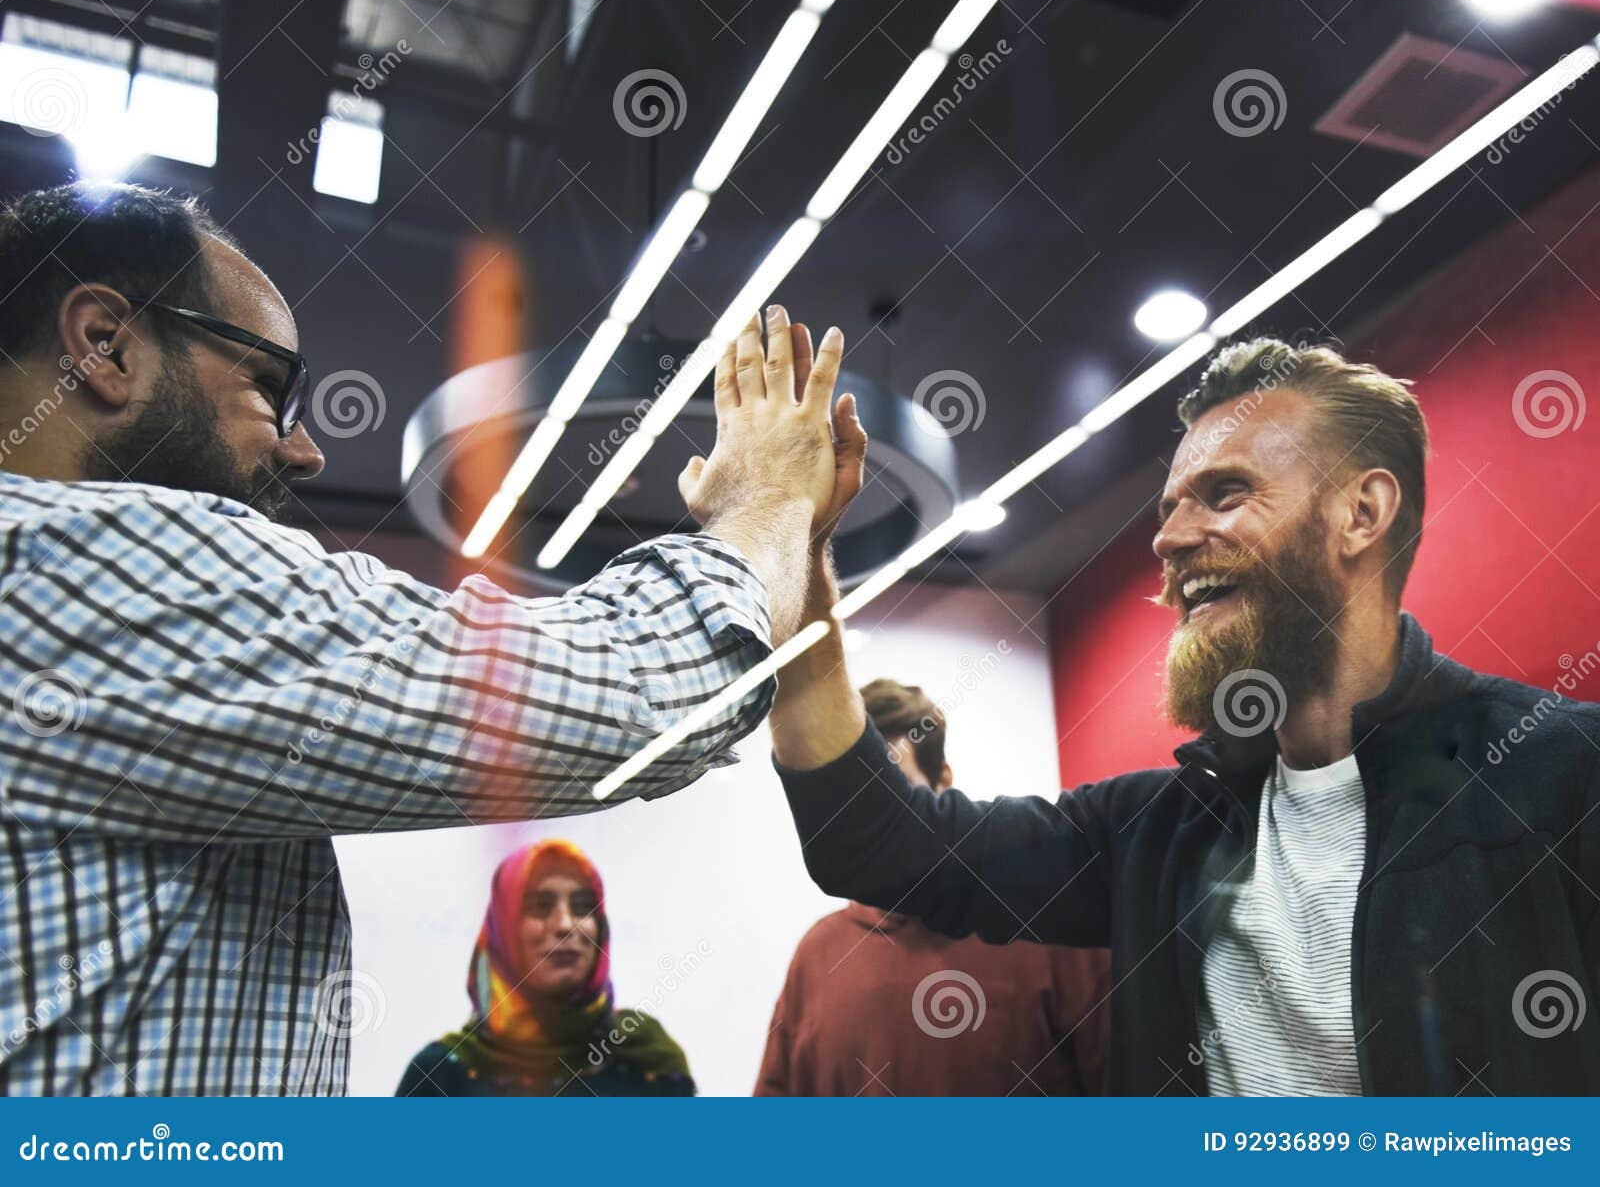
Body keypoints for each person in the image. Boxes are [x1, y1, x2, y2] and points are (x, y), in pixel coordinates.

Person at [0, 181, 866, 1095]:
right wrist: (768, 499)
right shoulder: (66, 561)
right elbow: (640, 687)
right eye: (269, 388)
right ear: (104, 346)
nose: (306, 452)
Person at [768, 338, 1600, 1096]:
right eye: (1169, 506)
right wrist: (796, 548)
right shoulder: (1159, 833)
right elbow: (876, 843)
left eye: (1225, 493)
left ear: (1362, 513)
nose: (1168, 539)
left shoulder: (1563, 774)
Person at [756, 678, 1109, 1096]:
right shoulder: (817, 954)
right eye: (855, 807)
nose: (872, 827)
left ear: (942, 783)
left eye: (891, 799)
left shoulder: (1047, 925)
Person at [397, 839, 692, 1096]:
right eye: (540, 905)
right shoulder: (441, 1076)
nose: (565, 925)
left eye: (582, 907)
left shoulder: (649, 1061)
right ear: (504, 932)